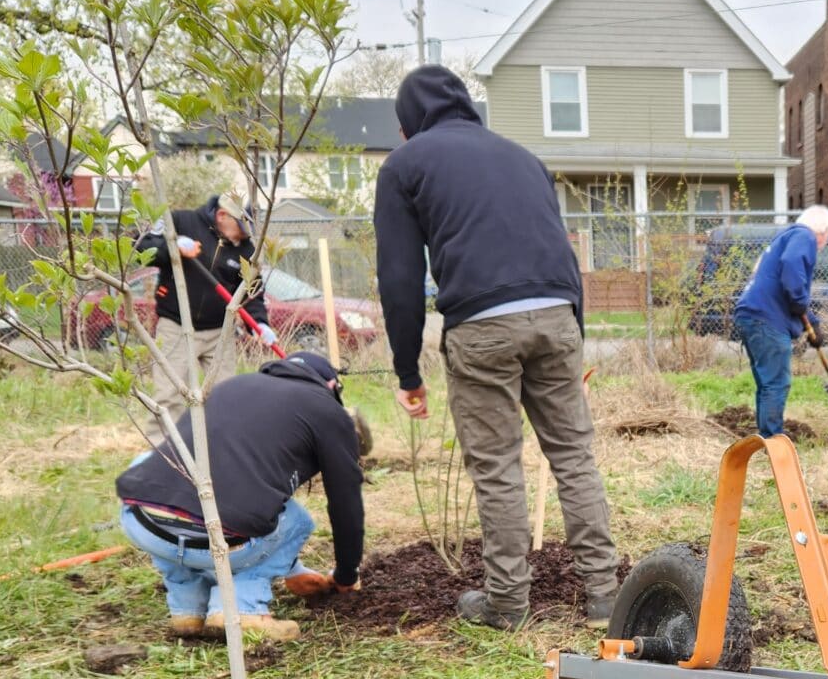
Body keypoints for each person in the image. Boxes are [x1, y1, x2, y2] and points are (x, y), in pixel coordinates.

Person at [374, 65, 620, 632]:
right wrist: (574, 334)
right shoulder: (523, 157)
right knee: (574, 456)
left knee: (498, 467)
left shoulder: (405, 164)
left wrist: (407, 371)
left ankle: (508, 603)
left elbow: (400, 277)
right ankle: (605, 593)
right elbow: (560, 249)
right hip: (557, 315)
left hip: (481, 326)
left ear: (410, 120)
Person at [116, 353, 363, 641]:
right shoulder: (327, 410)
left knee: (160, 472)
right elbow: (346, 503)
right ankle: (242, 610)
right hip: (218, 539)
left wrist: (292, 569)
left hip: (145, 523)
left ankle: (187, 610)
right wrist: (347, 574)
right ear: (332, 385)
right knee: (297, 520)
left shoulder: (232, 386)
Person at [135, 192, 269, 418]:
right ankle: (167, 451)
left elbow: (251, 291)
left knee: (226, 398)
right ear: (222, 215)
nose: (246, 235)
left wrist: (260, 323)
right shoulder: (181, 221)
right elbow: (141, 247)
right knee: (168, 396)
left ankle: (219, 450)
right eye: (242, 228)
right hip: (175, 326)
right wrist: (172, 246)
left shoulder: (245, 249)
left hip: (219, 332)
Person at [733, 207, 828, 437]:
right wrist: (799, 300)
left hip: (751, 315)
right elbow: (792, 268)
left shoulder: (784, 238)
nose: (823, 245)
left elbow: (785, 288)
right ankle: (773, 442)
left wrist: (813, 324)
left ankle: (765, 439)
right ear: (823, 231)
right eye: (827, 239)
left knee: (767, 384)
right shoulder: (804, 235)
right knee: (776, 383)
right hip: (766, 319)